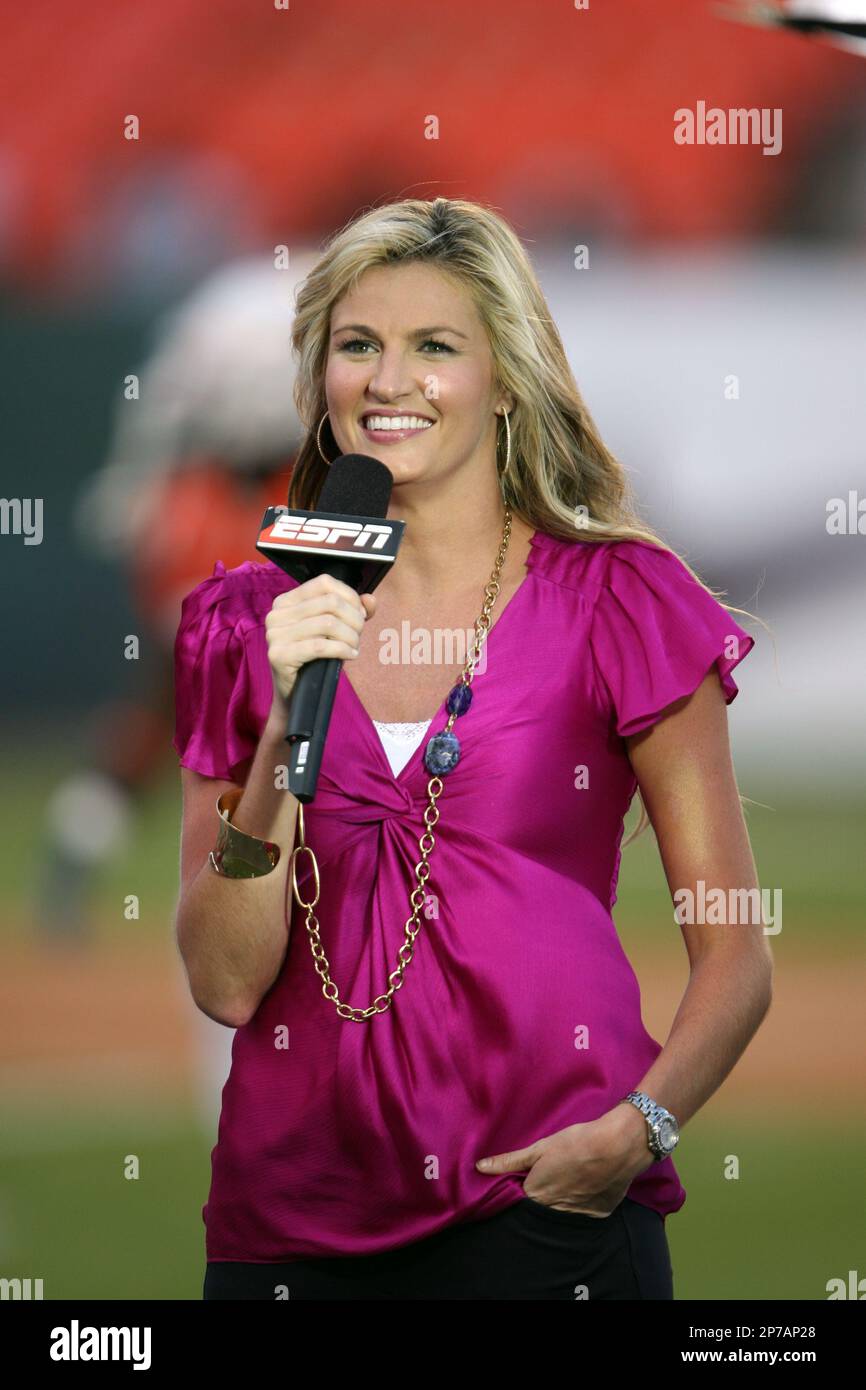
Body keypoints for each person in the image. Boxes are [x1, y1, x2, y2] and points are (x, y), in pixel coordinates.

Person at [173, 196, 773, 1301]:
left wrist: (633, 1134)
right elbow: (221, 978)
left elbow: (736, 953)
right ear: (319, 380)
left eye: (434, 347)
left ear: (504, 375)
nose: (388, 380)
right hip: (285, 1230)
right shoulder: (243, 622)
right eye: (358, 346)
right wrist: (275, 737)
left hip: (547, 1213)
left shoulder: (621, 600)